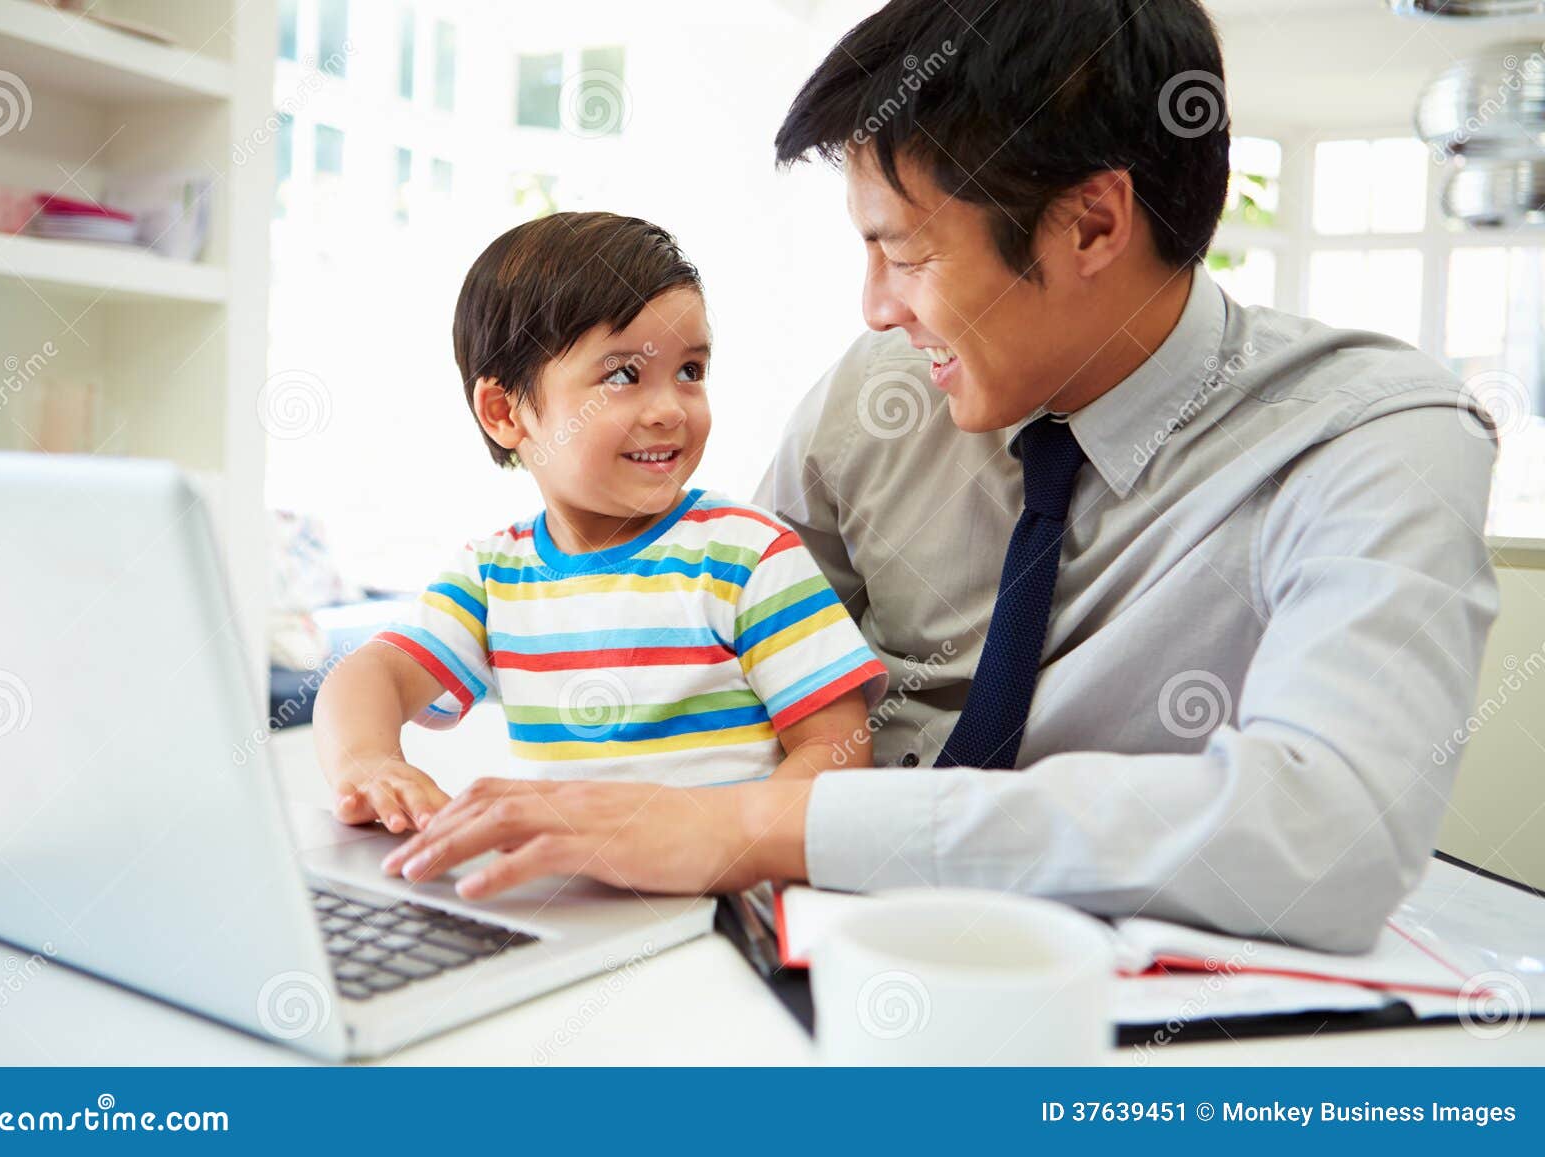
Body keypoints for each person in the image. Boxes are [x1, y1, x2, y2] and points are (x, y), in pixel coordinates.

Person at [379, 0, 1498, 952]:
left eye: (906, 252)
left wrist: (761, 827)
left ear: (1090, 224)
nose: (876, 307)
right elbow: (718, 649)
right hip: (784, 953)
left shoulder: (1370, 436)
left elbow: (1332, 836)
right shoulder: (876, 396)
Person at [315, 212, 887, 850]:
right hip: (566, 888)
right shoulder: (492, 577)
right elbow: (372, 674)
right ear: (504, 412)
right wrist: (369, 762)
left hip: (721, 889)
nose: (669, 409)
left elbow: (837, 753)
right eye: (622, 376)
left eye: (690, 371)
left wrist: (720, 844)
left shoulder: (749, 556)